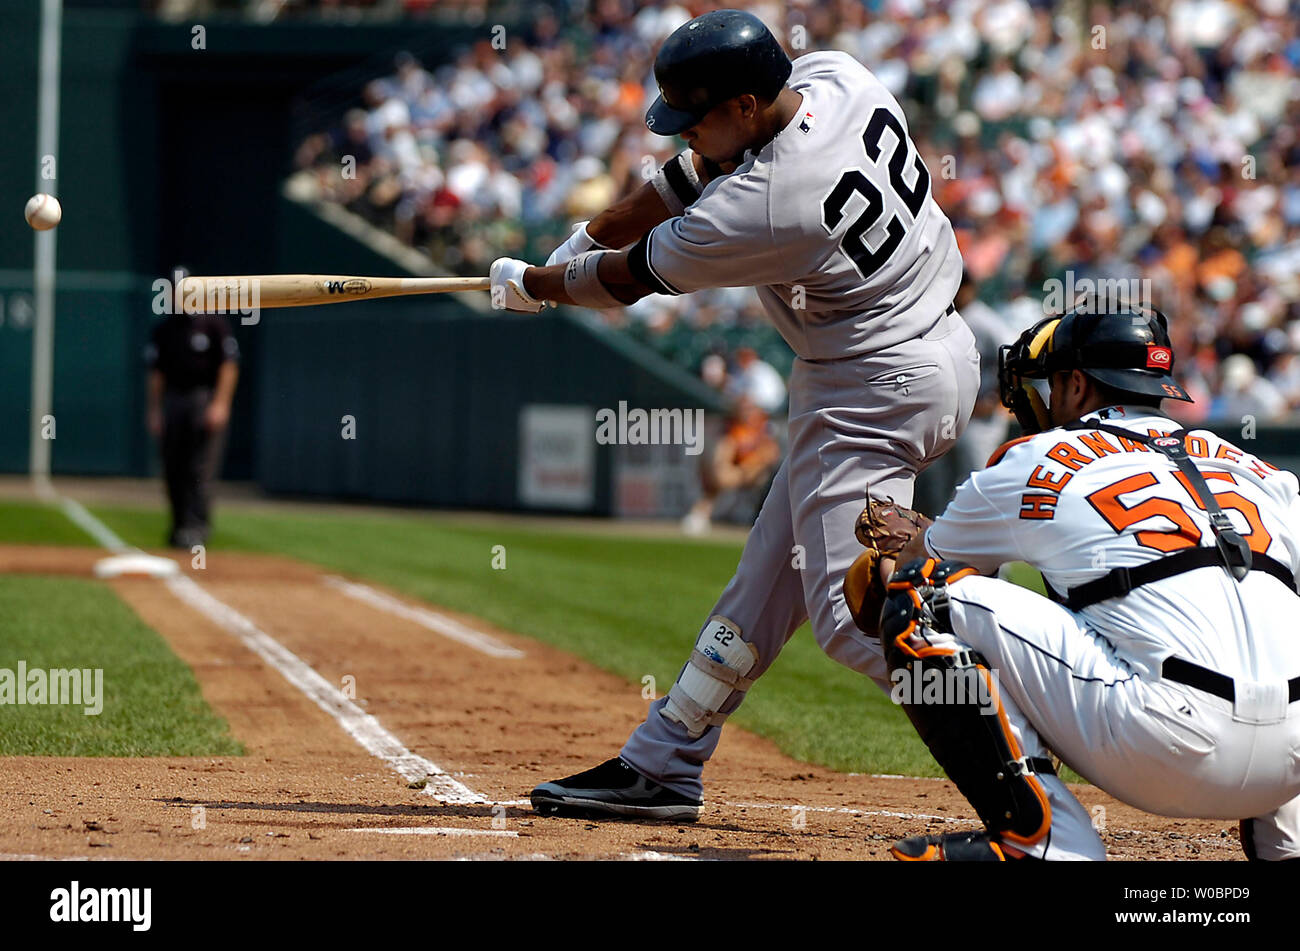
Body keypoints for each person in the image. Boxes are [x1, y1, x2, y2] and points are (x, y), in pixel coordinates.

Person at [491, 9, 979, 820]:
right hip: (921, 348)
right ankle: (664, 761)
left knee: (855, 623)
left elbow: (626, 280)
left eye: (699, 115)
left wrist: (540, 286)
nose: (687, 133)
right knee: (763, 580)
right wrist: (574, 241)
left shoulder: (771, 202)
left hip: (871, 385)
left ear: (746, 106)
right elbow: (682, 176)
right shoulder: (835, 76)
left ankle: (1042, 694)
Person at [876, 303, 1300, 860]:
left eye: (1051, 384)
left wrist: (895, 553)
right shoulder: (1260, 472)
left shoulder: (1036, 456)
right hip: (1290, 760)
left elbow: (919, 565)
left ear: (1077, 384)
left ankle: (1046, 843)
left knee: (922, 599)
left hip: (1162, 744)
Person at [144, 273, 239, 550]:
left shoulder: (213, 324)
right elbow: (157, 375)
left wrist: (221, 404)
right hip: (174, 400)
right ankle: (178, 528)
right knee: (173, 467)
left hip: (203, 399)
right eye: (178, 290)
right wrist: (155, 410)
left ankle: (197, 529)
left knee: (201, 469)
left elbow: (229, 366)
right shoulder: (165, 329)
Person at [681, 395, 781, 535]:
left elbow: (770, 454)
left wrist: (746, 469)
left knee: (768, 475)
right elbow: (722, 458)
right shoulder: (731, 429)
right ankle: (700, 514)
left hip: (758, 475)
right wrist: (735, 472)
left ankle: (765, 519)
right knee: (718, 478)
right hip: (736, 473)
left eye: (750, 408)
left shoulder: (764, 427)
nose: (746, 412)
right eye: (743, 408)